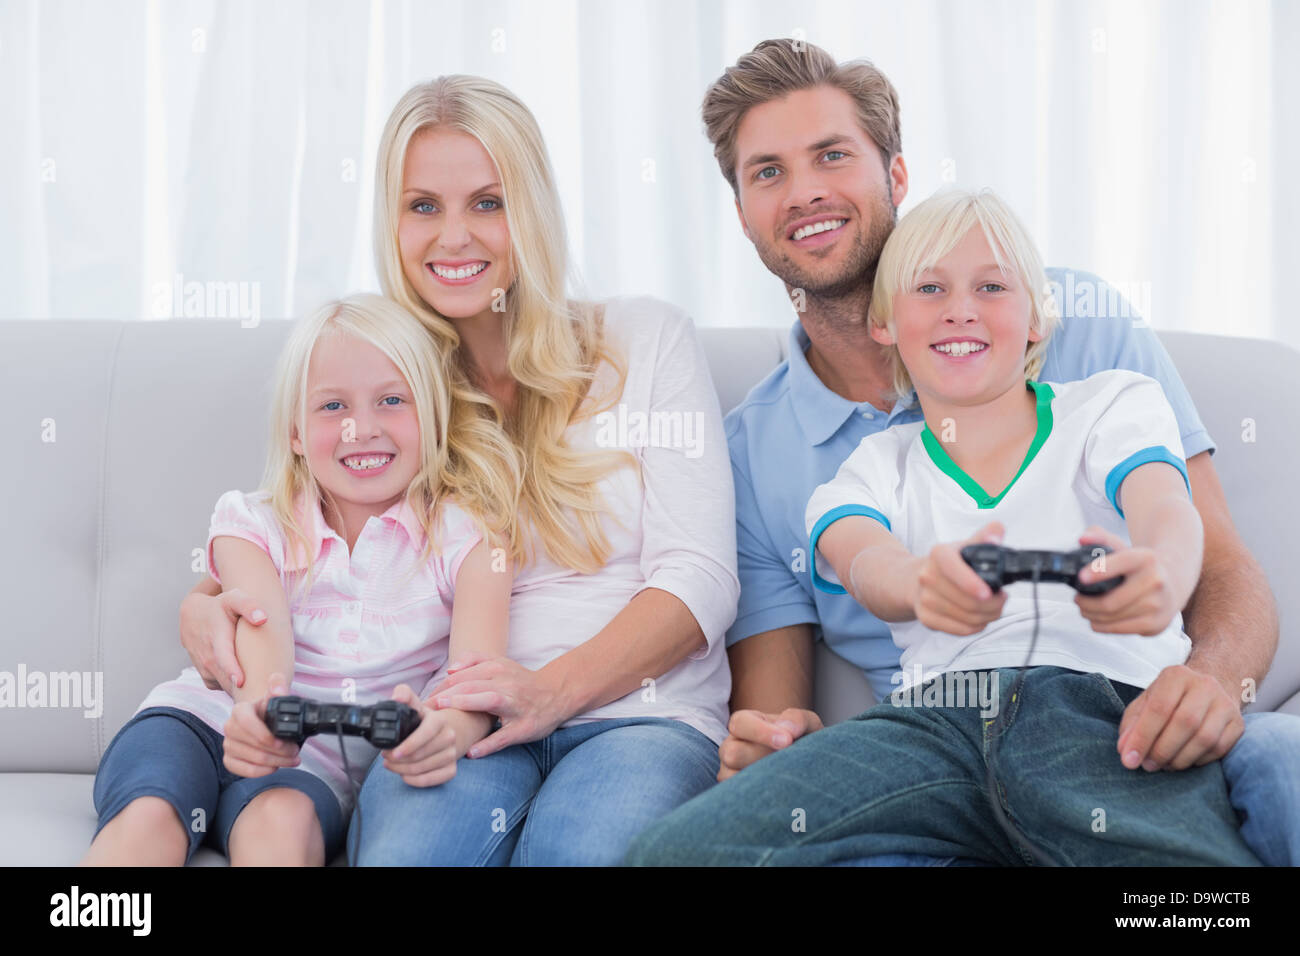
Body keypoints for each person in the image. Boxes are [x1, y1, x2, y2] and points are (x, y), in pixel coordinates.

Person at [685, 37, 1296, 865]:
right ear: (742, 211)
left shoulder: (1093, 349)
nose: (805, 192)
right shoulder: (764, 452)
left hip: (1118, 713)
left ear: (895, 176)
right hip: (930, 741)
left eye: (832, 155)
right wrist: (774, 745)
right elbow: (790, 685)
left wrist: (1210, 684)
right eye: (768, 172)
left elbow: (1205, 551)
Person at [177, 75, 739, 866]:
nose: (454, 238)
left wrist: (551, 694)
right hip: (456, 723)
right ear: (392, 221)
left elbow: (703, 577)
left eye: (487, 202)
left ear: (532, 210)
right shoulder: (391, 379)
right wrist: (202, 600)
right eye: (423, 207)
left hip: (641, 719)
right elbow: (296, 524)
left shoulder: (647, 341)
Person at [82, 294, 514, 865]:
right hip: (200, 724)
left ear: (433, 416)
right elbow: (264, 632)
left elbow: (472, 688)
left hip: (313, 765)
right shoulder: (252, 521)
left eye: (391, 400)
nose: (361, 428)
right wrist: (262, 711)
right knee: (148, 818)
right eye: (332, 406)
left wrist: (446, 734)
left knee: (281, 824)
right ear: (294, 433)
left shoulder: (474, 540)